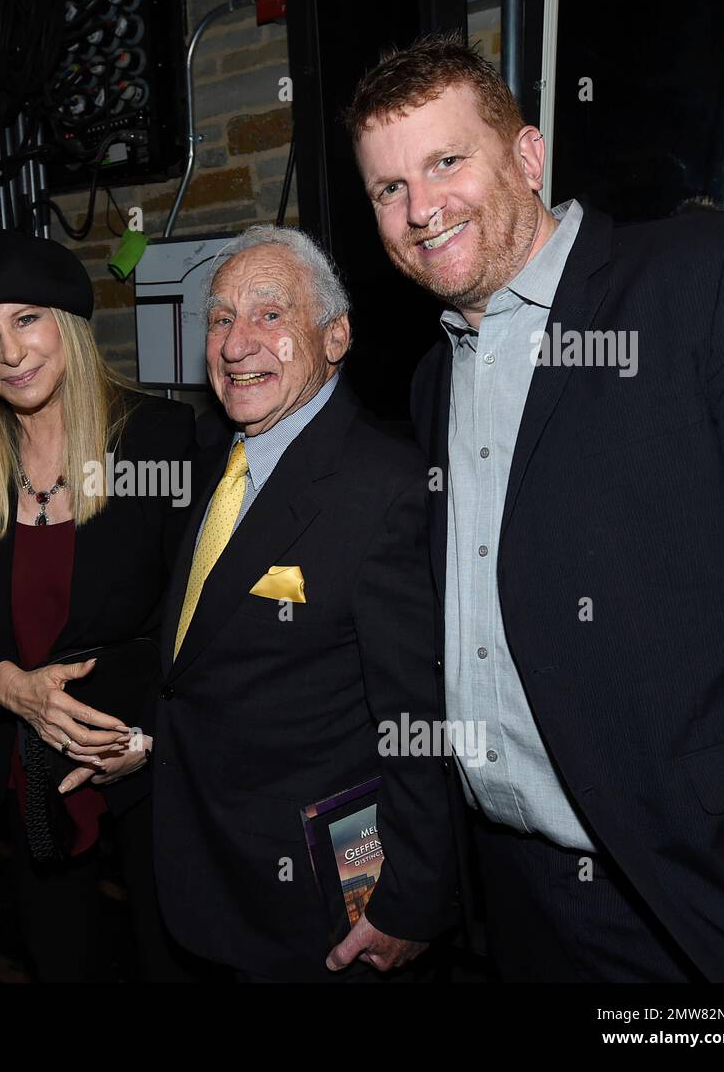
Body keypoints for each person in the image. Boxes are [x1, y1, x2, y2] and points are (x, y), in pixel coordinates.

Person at [347, 32, 724, 981]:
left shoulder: (705, 280)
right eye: (389, 188)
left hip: (708, 892)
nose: (421, 209)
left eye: (446, 161)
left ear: (529, 154)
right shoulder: (431, 380)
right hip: (520, 893)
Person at [151, 224, 460, 983]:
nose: (233, 342)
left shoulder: (384, 489)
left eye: (268, 314)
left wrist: (408, 899)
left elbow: (417, 718)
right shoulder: (206, 457)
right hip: (203, 863)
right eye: (220, 317)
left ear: (334, 335)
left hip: (319, 902)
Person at [0, 228, 202, 981]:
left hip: (149, 769)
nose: (10, 353)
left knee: (172, 956)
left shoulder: (156, 439)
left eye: (27, 320)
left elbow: (197, 625)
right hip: (29, 772)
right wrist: (11, 689)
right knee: (61, 959)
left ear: (69, 326)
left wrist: (145, 740)